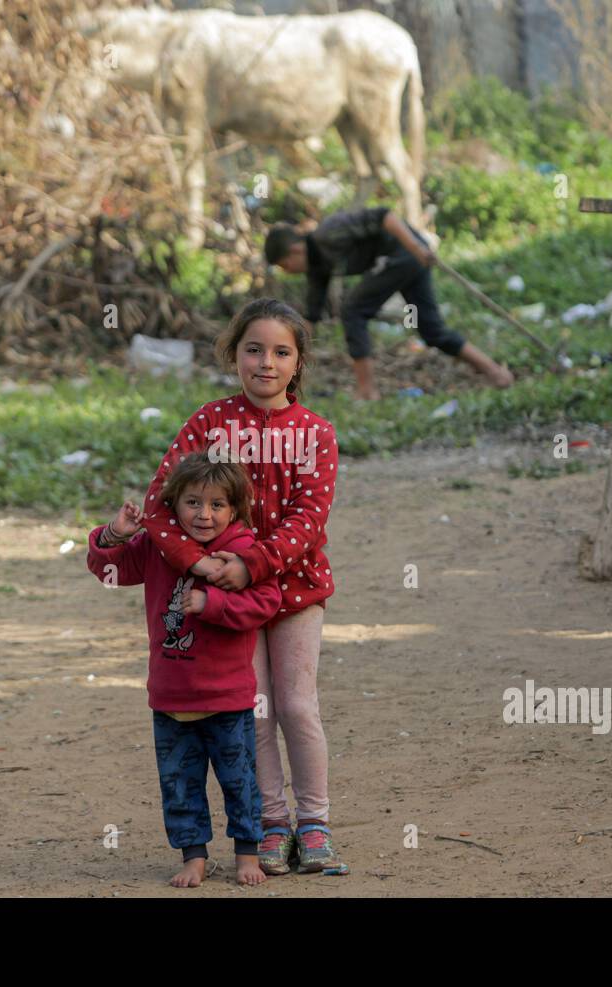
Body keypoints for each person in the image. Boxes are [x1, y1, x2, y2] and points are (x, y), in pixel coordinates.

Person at [136, 297, 343, 876]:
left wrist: (253, 565)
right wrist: (203, 567)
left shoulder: (316, 435)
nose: (266, 363)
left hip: (295, 590)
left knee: (298, 706)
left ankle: (315, 824)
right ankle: (272, 826)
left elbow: (310, 519)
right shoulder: (208, 425)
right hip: (226, 599)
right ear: (234, 355)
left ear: (298, 362)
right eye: (254, 349)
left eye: (281, 352)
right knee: (253, 712)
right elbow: (158, 505)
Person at [87, 452, 281, 887]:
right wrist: (115, 534)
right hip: (171, 695)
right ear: (173, 504)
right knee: (179, 784)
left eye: (216, 505)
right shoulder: (157, 550)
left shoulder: (244, 553)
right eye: (193, 502)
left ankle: (247, 853)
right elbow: (109, 571)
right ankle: (193, 855)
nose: (204, 514)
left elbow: (265, 604)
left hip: (227, 697)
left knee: (240, 781)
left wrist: (212, 603)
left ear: (234, 510)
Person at [265, 206, 515, 400]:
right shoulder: (317, 270)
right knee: (431, 331)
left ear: (296, 249)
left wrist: (415, 246)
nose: (288, 272)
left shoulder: (329, 232)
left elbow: (384, 215)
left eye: (285, 266)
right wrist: (285, 361)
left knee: (353, 309)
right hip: (401, 262)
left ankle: (367, 392)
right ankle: (496, 372)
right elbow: (311, 318)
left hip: (404, 253)